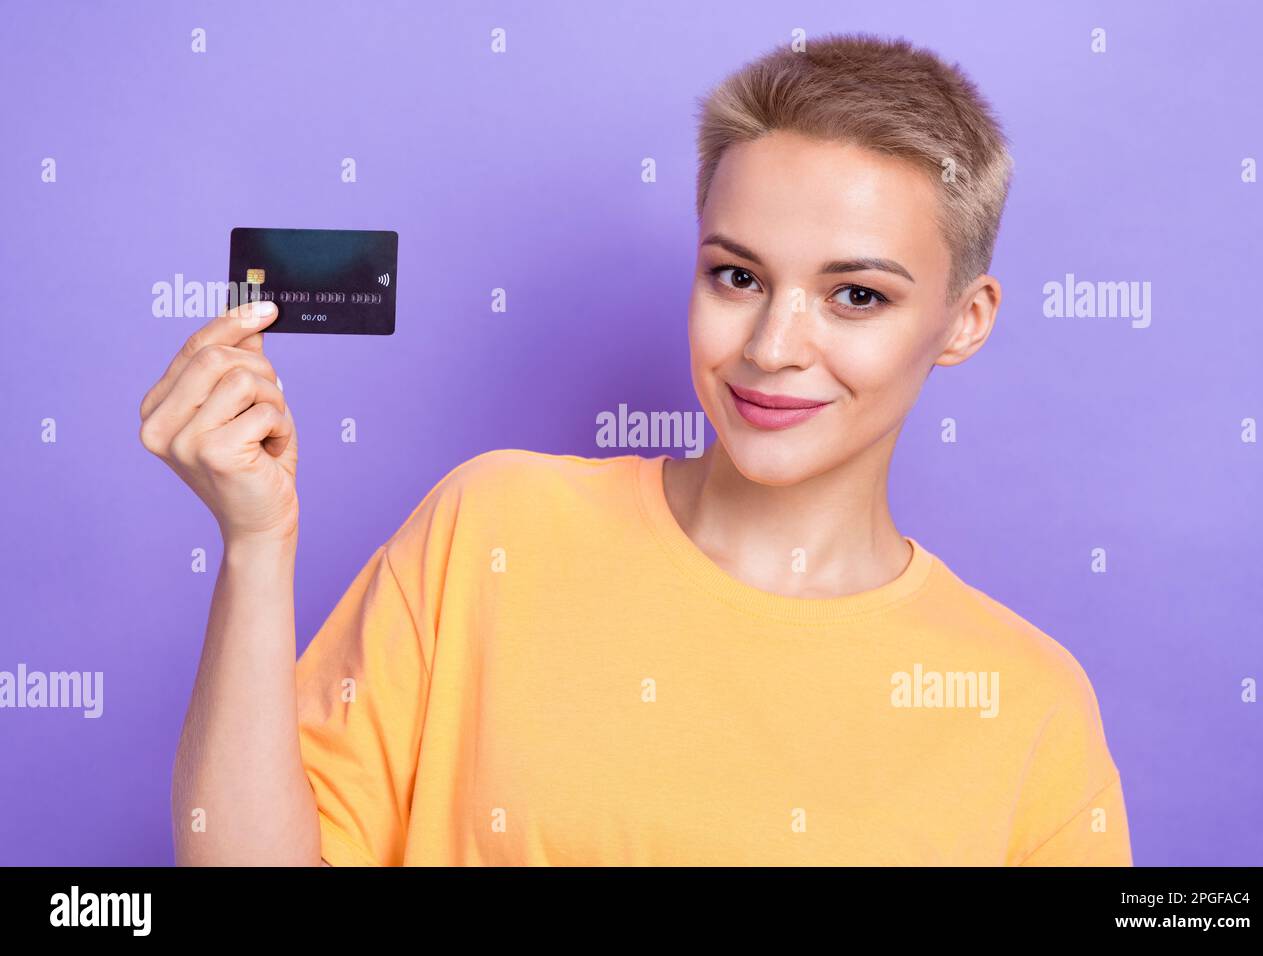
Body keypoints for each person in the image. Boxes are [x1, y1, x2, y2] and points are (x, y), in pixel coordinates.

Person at [141, 32, 1133, 866]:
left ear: (964, 320)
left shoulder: (1028, 705)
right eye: (737, 276)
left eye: (856, 295)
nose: (771, 347)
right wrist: (256, 543)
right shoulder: (491, 529)